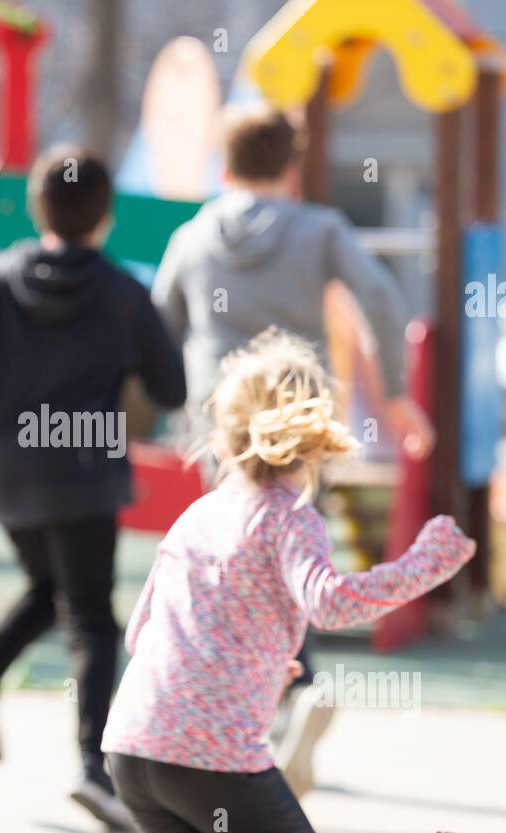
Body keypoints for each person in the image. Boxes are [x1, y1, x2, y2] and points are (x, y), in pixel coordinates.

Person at [101, 329, 474, 833]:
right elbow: (332, 603)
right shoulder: (289, 517)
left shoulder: (200, 513)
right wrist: (426, 563)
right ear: (314, 435)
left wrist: (257, 662)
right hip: (213, 755)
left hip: (134, 746)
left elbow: (144, 632)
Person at [151, 101, 436, 794]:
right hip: (302, 424)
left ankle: (247, 718)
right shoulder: (320, 229)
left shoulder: (194, 236)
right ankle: (292, 695)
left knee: (230, 571)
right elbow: (381, 298)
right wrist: (395, 396)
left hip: (220, 425)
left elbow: (161, 320)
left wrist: (162, 405)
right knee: (292, 560)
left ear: (225, 165)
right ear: (291, 165)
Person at [0, 144, 186, 829]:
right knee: (94, 618)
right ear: (105, 215)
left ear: (37, 207)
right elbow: (172, 385)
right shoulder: (122, 291)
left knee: (55, 591)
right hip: (85, 471)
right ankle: (94, 771)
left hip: (8, 468)